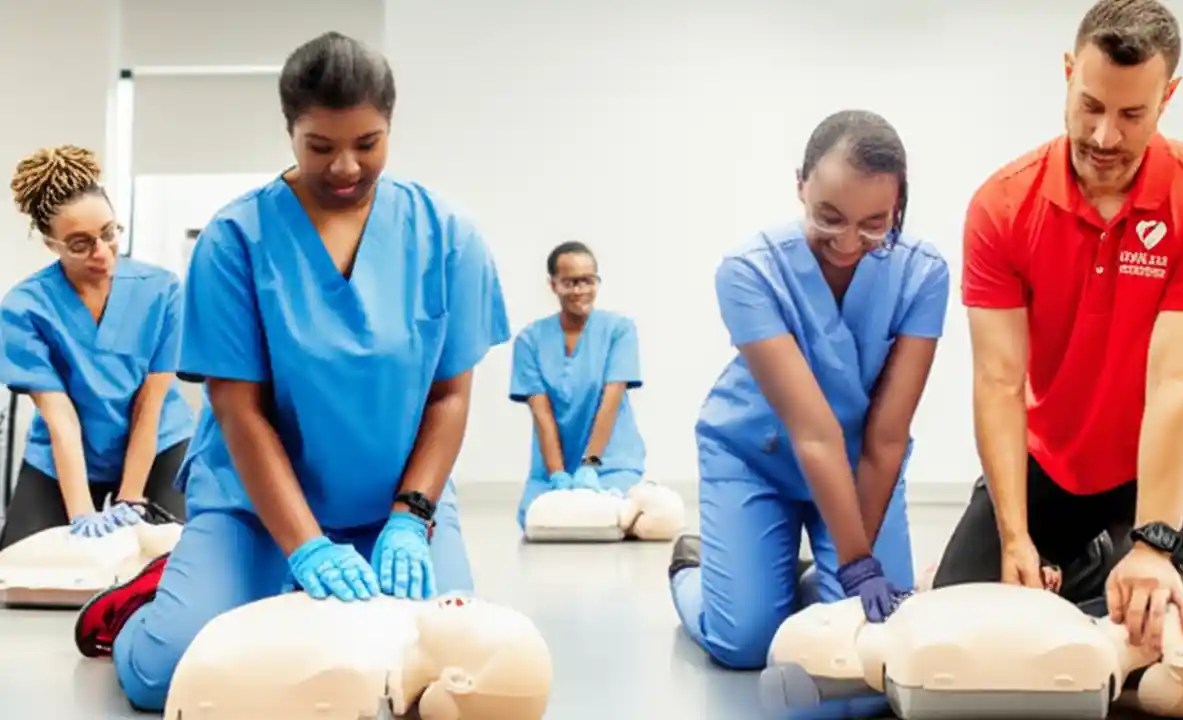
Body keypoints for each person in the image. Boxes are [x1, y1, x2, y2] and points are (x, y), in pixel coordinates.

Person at [70, 32, 509, 711]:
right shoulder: (237, 238)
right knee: (166, 677)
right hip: (254, 502)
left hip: (395, 500)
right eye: (319, 146)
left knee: (445, 662)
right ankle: (147, 599)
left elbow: (450, 395)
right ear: (290, 133)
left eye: (367, 144)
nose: (344, 167)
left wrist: (410, 514)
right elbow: (239, 412)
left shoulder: (447, 234)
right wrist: (305, 546)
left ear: (390, 128)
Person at [932, 0, 1183, 656]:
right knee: (959, 612)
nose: (1105, 137)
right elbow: (998, 379)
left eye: (1132, 114)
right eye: (1090, 106)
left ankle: (1181, 565)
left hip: (1177, 440)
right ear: (1069, 73)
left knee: (1170, 626)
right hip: (1056, 448)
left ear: (1169, 96)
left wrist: (1157, 545)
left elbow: (1178, 384)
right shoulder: (1003, 205)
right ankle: (1083, 566)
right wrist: (1015, 537)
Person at [667, 110, 950, 671]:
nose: (849, 243)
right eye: (829, 217)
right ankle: (694, 570)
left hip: (861, 464)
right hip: (756, 457)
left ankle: (800, 576)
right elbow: (812, 430)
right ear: (800, 184)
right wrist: (855, 564)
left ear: (899, 206)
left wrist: (857, 568)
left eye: (874, 223)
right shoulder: (749, 271)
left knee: (868, 640)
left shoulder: (923, 273)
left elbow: (888, 435)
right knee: (745, 642)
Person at [0, 145, 192, 551]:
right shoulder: (25, 307)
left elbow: (149, 405)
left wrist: (131, 498)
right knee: (25, 564)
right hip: (67, 452)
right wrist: (82, 515)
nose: (102, 252)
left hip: (157, 443)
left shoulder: (162, 291)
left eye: (108, 233)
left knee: (173, 556)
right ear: (51, 244)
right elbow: (60, 418)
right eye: (79, 243)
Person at [509, 241, 645, 529]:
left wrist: (589, 465)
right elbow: (542, 415)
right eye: (569, 282)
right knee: (533, 518)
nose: (579, 290)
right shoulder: (530, 341)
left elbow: (611, 401)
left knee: (604, 514)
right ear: (553, 285)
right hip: (551, 469)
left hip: (609, 465)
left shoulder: (619, 331)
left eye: (587, 281)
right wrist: (557, 474)